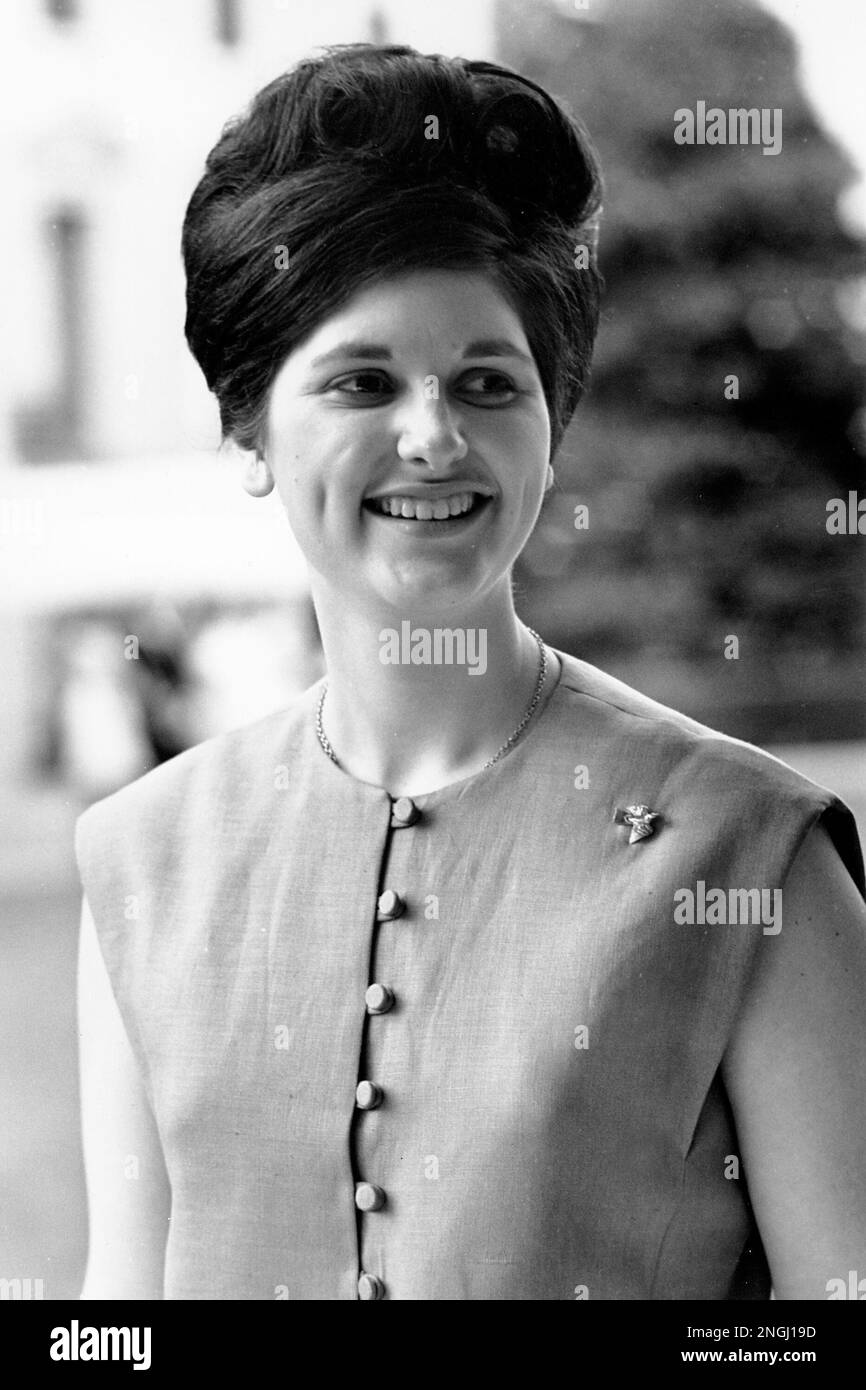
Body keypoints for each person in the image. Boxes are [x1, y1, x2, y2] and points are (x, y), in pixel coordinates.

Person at [74, 42, 866, 1302]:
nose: (433, 435)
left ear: (550, 422)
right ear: (249, 426)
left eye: (487, 382)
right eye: (361, 380)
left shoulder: (748, 859)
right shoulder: (139, 865)